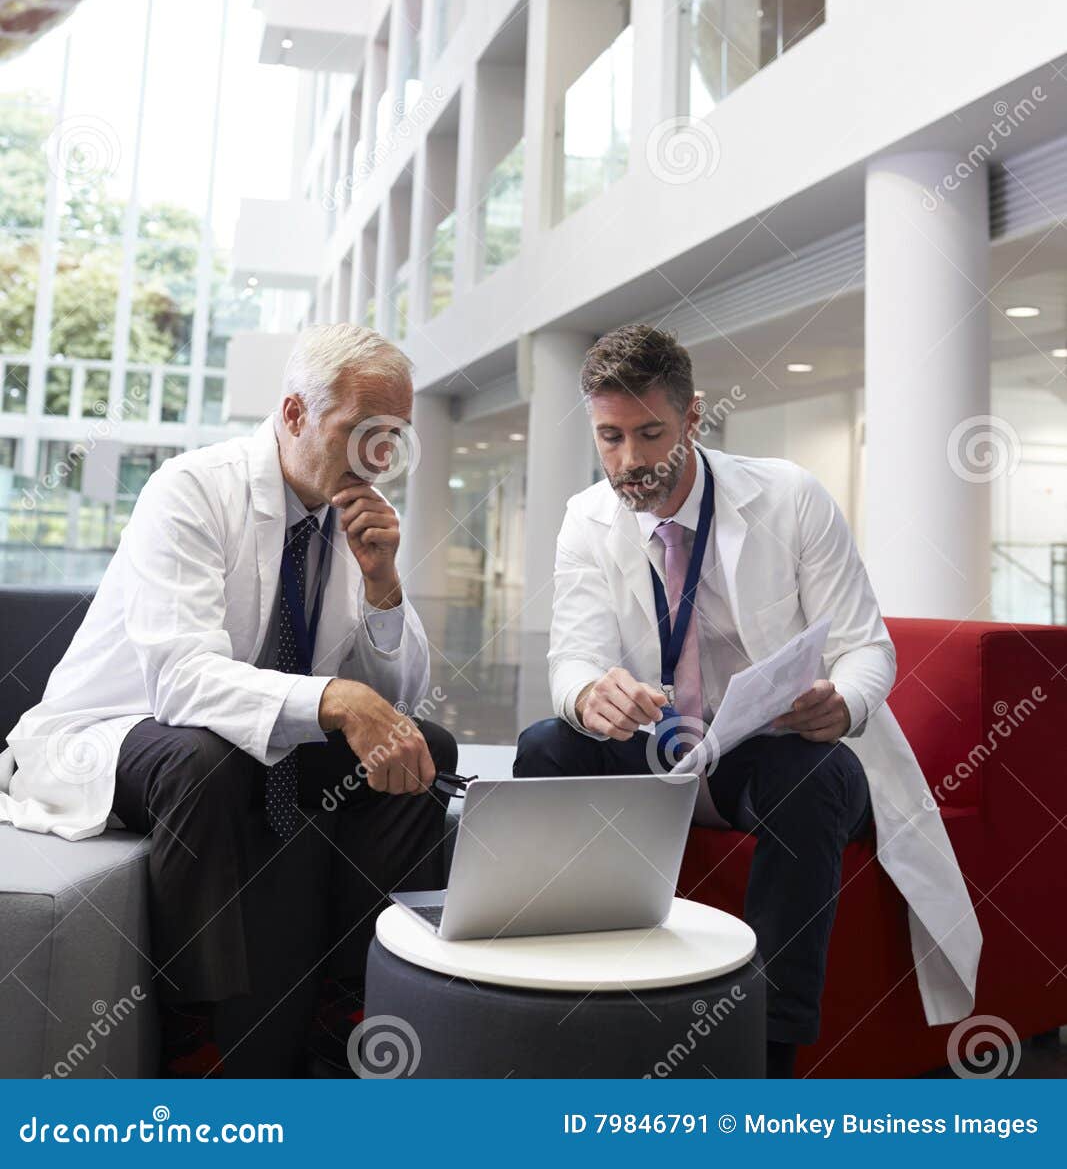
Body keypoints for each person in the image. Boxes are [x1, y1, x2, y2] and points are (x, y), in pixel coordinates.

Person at [515, 324, 981, 1077]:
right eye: (609, 437)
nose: (629, 461)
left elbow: (867, 647)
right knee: (544, 744)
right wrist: (586, 696)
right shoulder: (585, 518)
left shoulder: (789, 497)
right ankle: (564, 1001)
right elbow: (571, 656)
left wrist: (844, 703)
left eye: (650, 433)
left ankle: (764, 1051)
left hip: (771, 756)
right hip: (661, 751)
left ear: (693, 417)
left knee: (813, 774)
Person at [0, 323, 456, 1078]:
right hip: (121, 733)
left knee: (423, 747)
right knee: (202, 758)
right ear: (293, 413)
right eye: (360, 431)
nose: (378, 458)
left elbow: (395, 699)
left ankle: (347, 1009)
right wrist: (335, 697)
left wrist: (383, 585)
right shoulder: (191, 489)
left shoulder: (352, 525)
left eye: (392, 436)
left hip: (251, 748)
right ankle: (194, 1037)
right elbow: (181, 680)